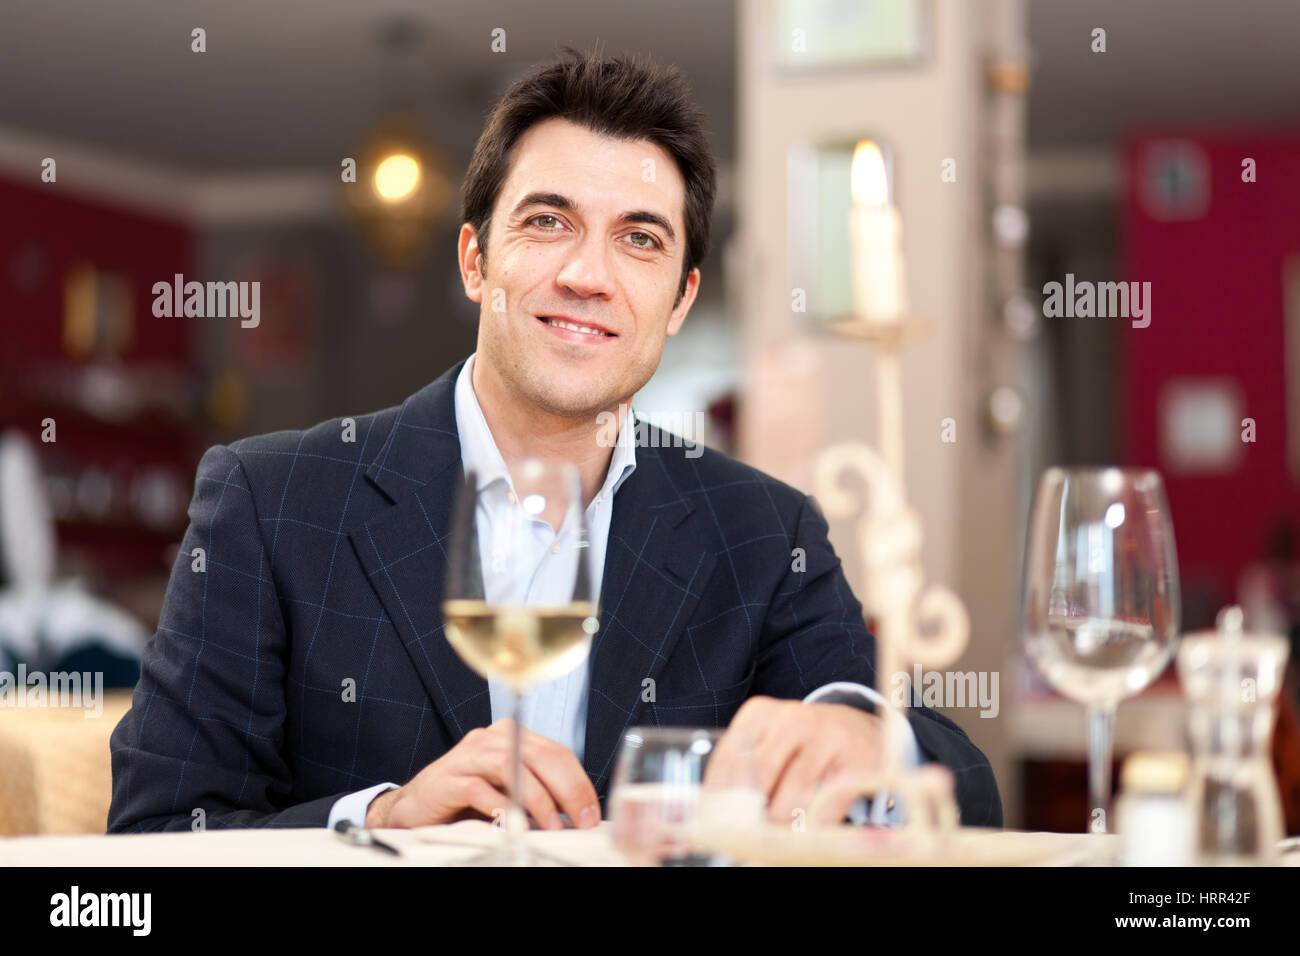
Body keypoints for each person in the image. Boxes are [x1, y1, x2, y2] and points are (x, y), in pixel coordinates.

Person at [108, 48, 1001, 834]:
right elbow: (155, 834)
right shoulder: (271, 502)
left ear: (681, 302)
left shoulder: (765, 535)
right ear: (474, 261)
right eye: (547, 221)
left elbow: (966, 787)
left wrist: (859, 730)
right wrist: (379, 817)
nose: (586, 275)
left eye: (639, 240)